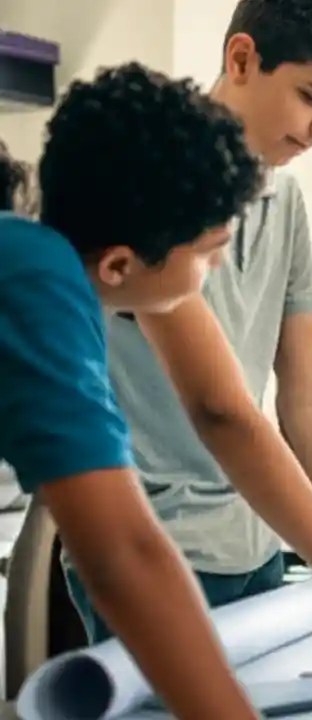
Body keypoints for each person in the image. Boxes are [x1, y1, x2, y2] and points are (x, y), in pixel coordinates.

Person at [64, 0, 312, 642]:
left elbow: (306, 389)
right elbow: (221, 407)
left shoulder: (286, 199)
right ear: (242, 59)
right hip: (152, 546)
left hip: (258, 545)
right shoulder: (152, 176)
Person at [1, 60, 275, 719]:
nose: (215, 270)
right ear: (122, 265)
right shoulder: (39, 281)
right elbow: (123, 552)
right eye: (210, 251)